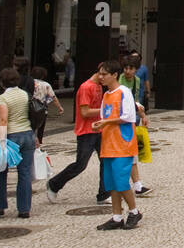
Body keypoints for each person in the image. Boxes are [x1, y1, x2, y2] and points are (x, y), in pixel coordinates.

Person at [46, 66, 109, 204]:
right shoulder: (86, 87)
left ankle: (104, 193)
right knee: (80, 164)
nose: (106, 78)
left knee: (106, 161)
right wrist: (106, 109)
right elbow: (85, 112)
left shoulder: (99, 86)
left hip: (98, 129)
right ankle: (54, 184)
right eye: (104, 74)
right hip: (86, 131)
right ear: (99, 74)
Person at [93, 60, 141, 231]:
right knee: (111, 183)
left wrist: (105, 121)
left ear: (114, 75)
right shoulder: (106, 95)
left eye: (104, 74)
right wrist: (102, 123)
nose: (101, 77)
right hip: (108, 144)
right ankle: (117, 216)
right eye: (100, 73)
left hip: (122, 144)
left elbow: (128, 116)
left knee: (121, 182)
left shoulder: (124, 92)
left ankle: (134, 211)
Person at [0, 67, 36, 220]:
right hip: (27, 134)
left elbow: (3, 119)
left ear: (2, 82)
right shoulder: (25, 94)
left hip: (11, 136)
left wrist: (1, 142)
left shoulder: (3, 98)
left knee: (1, 171)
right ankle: (24, 209)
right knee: (24, 173)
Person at [28, 66, 64, 144]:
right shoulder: (46, 85)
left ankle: (30, 141)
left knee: (30, 125)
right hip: (41, 108)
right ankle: (39, 142)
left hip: (29, 107)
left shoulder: (29, 82)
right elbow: (53, 97)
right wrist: (59, 107)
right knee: (41, 126)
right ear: (43, 75)